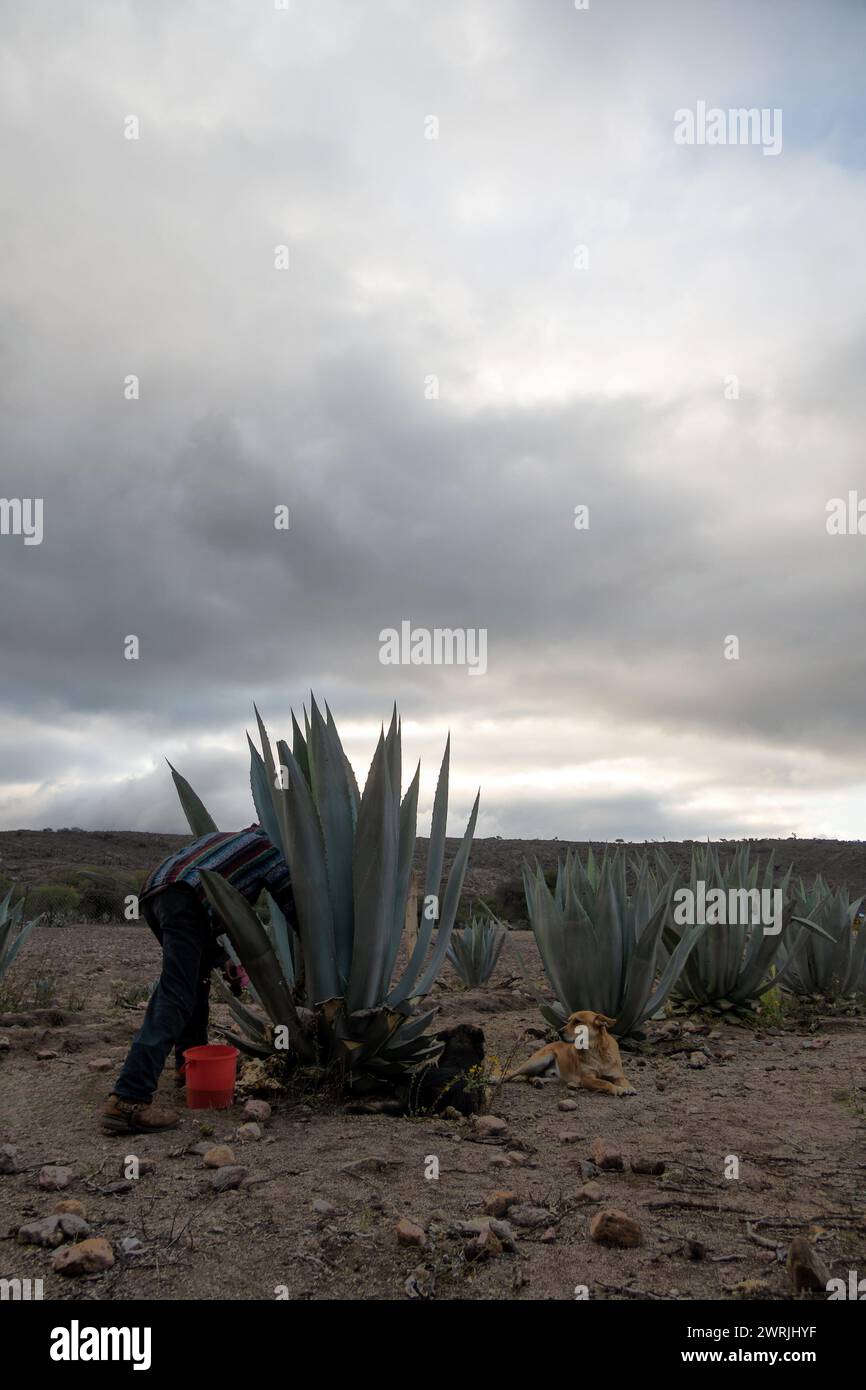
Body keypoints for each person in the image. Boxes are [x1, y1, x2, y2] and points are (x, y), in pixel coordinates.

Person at [101, 825, 296, 1134]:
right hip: (185, 897)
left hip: (155, 893)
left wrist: (224, 960)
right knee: (176, 992)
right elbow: (293, 905)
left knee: (194, 981)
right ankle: (128, 1099)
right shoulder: (269, 852)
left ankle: (187, 1066)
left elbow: (210, 920)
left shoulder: (227, 840)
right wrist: (318, 949)